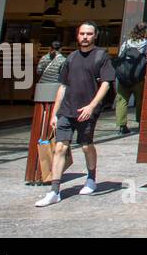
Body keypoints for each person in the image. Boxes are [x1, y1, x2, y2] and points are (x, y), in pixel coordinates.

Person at [35, 22, 115, 207]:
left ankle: (91, 178)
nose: (85, 37)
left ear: (95, 36)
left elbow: (106, 83)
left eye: (89, 33)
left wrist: (92, 106)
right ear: (77, 35)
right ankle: (54, 190)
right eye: (82, 33)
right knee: (60, 148)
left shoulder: (101, 56)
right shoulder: (70, 58)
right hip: (67, 109)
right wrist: (55, 113)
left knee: (86, 146)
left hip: (87, 110)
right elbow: (63, 86)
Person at [113, 23, 147, 136]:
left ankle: (122, 126)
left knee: (122, 100)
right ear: (145, 31)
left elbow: (120, 56)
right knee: (140, 100)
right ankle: (141, 123)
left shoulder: (127, 42)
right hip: (138, 77)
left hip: (123, 77)